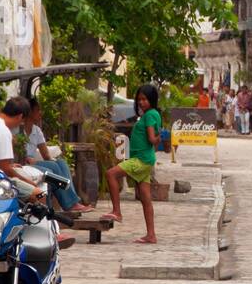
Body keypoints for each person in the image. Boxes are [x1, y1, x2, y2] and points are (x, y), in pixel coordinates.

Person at [103, 84, 161, 244]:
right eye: (139, 99)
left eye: (144, 99)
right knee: (145, 198)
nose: (141, 102)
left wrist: (157, 139)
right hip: (146, 159)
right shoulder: (153, 114)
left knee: (111, 174)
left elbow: (151, 138)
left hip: (140, 160)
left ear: (152, 100)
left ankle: (117, 211)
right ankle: (151, 235)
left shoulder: (149, 116)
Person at [25, 98, 92, 213]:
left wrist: (55, 162)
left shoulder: (36, 130)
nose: (40, 113)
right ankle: (69, 204)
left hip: (33, 163)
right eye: (38, 110)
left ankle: (73, 202)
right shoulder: (17, 130)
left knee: (60, 163)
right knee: (53, 167)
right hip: (23, 164)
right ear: (29, 111)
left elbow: (46, 155)